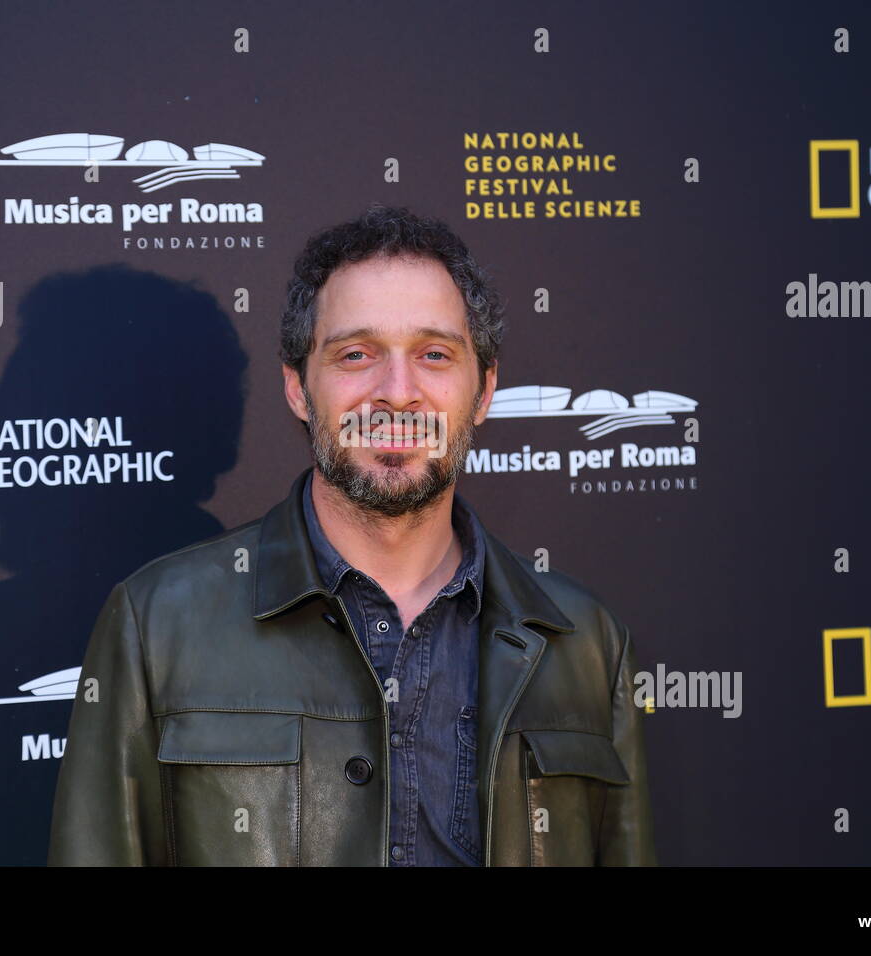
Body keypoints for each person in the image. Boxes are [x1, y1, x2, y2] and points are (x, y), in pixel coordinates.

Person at [47, 204, 656, 866]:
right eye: (356, 354)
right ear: (299, 388)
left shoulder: (587, 644)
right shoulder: (156, 625)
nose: (397, 393)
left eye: (434, 354)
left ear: (483, 390)